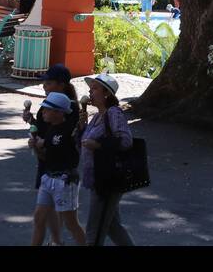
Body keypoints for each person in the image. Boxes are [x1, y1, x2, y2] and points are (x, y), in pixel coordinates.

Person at [79, 73, 135, 246]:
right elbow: (83, 144)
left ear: (106, 94)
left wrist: (98, 145)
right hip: (97, 177)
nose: (90, 91)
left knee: (94, 231)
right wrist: (82, 128)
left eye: (95, 88)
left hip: (108, 178)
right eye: (91, 88)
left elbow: (126, 140)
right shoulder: (96, 117)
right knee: (111, 225)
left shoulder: (114, 113)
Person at [29, 91, 86, 245]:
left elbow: (80, 138)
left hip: (65, 180)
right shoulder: (50, 130)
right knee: (39, 218)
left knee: (70, 223)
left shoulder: (69, 130)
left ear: (58, 112)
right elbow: (45, 157)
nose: (43, 112)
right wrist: (35, 147)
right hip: (48, 178)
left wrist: (82, 126)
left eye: (47, 109)